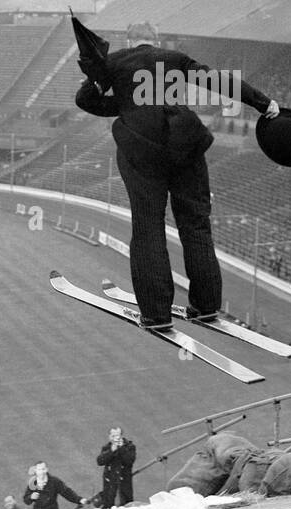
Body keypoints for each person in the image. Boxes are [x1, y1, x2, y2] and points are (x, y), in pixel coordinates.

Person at [74, 21, 279, 330]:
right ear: (156, 40)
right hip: (185, 140)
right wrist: (263, 103)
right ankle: (207, 306)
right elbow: (219, 81)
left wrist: (127, 105)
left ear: (129, 40)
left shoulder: (114, 62)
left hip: (141, 147)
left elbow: (84, 99)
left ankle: (156, 313)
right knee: (196, 224)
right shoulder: (175, 59)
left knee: (148, 225)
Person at [96, 426, 137, 508]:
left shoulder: (130, 446)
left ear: (121, 436)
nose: (115, 438)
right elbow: (100, 461)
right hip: (110, 482)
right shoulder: (107, 447)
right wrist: (111, 451)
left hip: (124, 481)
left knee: (126, 504)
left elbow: (129, 461)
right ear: (109, 436)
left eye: (117, 436)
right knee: (108, 504)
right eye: (112, 436)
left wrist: (121, 448)